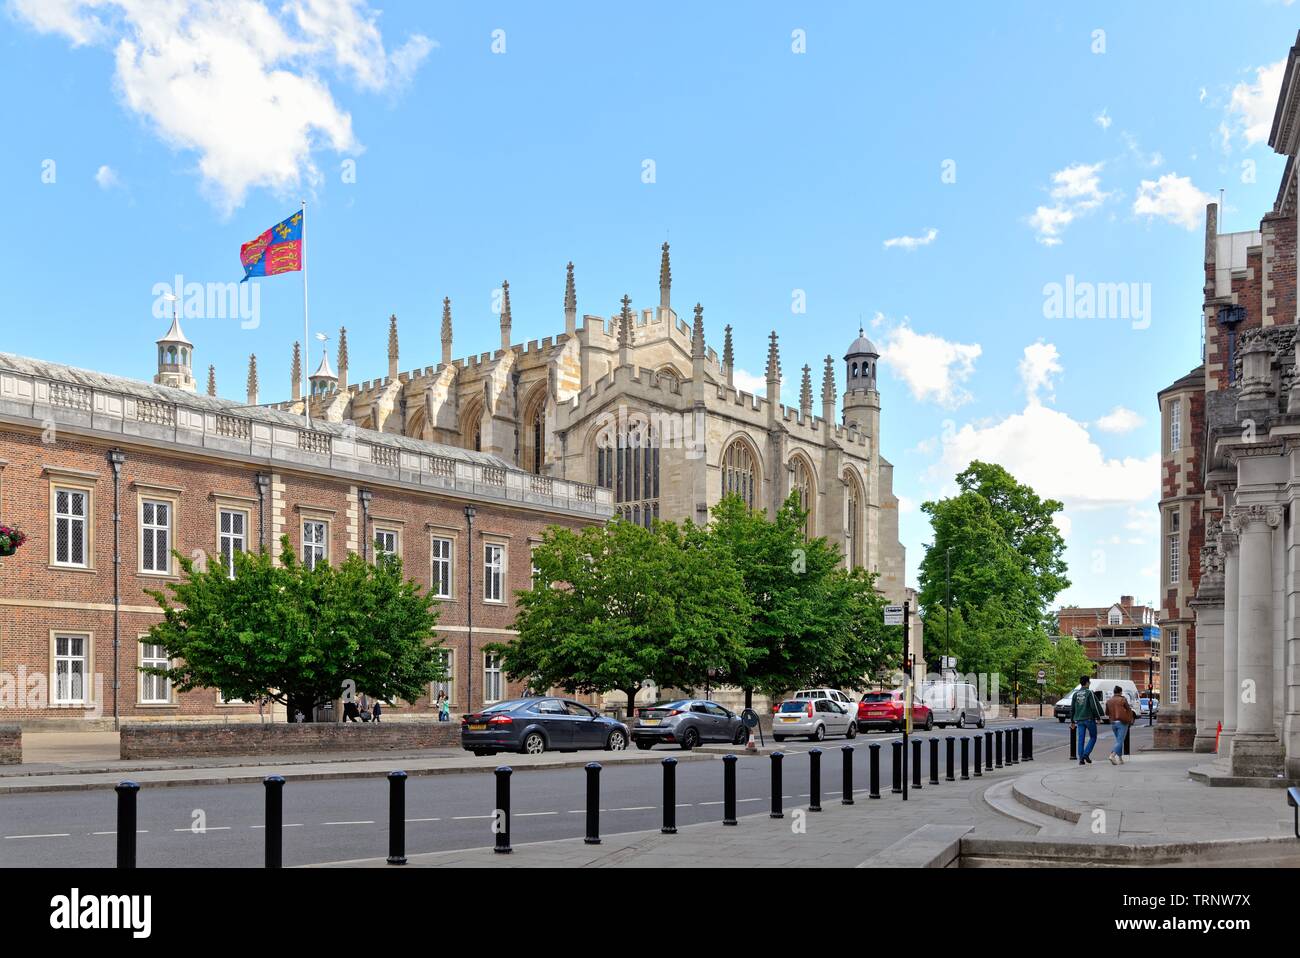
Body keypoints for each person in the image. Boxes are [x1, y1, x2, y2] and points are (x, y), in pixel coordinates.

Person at [1071, 675, 1103, 765]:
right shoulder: (1089, 693)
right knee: (1093, 737)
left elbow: (1072, 708)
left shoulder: (1075, 694)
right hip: (1089, 719)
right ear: (1087, 683)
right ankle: (1086, 754)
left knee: (1081, 739)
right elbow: (1094, 706)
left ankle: (1081, 759)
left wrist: (1072, 721)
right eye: (1089, 682)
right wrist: (1098, 717)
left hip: (1079, 720)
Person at [1105, 685, 1136, 765]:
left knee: (1118, 741)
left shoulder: (1109, 701)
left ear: (1114, 692)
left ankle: (1120, 759)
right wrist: (1130, 719)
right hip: (1122, 722)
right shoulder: (1123, 699)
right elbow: (1129, 710)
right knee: (1120, 741)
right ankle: (1112, 755)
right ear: (1120, 692)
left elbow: (1107, 713)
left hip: (1113, 723)